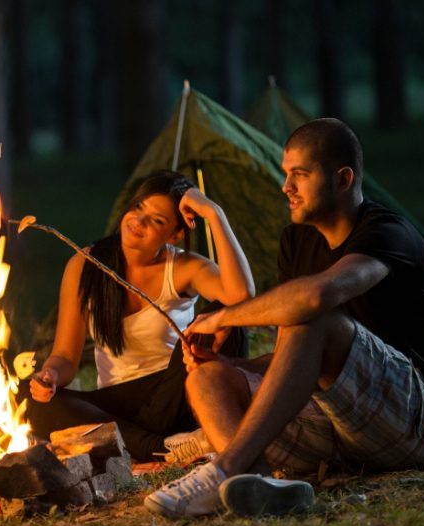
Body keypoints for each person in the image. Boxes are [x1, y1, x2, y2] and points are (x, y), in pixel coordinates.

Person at [145, 118, 424, 518]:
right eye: (285, 174)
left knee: (313, 313)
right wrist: (232, 366)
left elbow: (318, 297)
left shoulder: (387, 232)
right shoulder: (296, 243)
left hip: (415, 423)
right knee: (207, 377)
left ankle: (223, 470)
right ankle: (256, 484)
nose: (286, 187)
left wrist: (223, 317)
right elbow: (293, 358)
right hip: (334, 425)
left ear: (343, 179)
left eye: (300, 174)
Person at [22, 170, 255, 462]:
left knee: (224, 317)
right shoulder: (85, 265)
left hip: (178, 392)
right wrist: (50, 376)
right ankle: (165, 448)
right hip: (119, 404)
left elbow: (242, 296)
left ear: (176, 233)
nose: (138, 222)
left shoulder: (183, 267)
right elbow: (65, 358)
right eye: (138, 208)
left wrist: (214, 213)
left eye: (157, 220)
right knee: (31, 400)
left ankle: (136, 444)